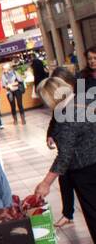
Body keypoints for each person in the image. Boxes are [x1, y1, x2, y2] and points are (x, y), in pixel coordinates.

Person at [35, 73, 96, 244]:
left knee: (93, 213)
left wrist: (46, 183)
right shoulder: (84, 101)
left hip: (85, 170)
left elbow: (65, 156)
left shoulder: (66, 114)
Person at [46, 67, 77, 227]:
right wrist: (50, 134)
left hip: (79, 155)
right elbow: (54, 119)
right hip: (68, 153)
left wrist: (46, 183)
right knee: (65, 181)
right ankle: (67, 213)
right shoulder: (60, 101)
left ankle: (68, 213)